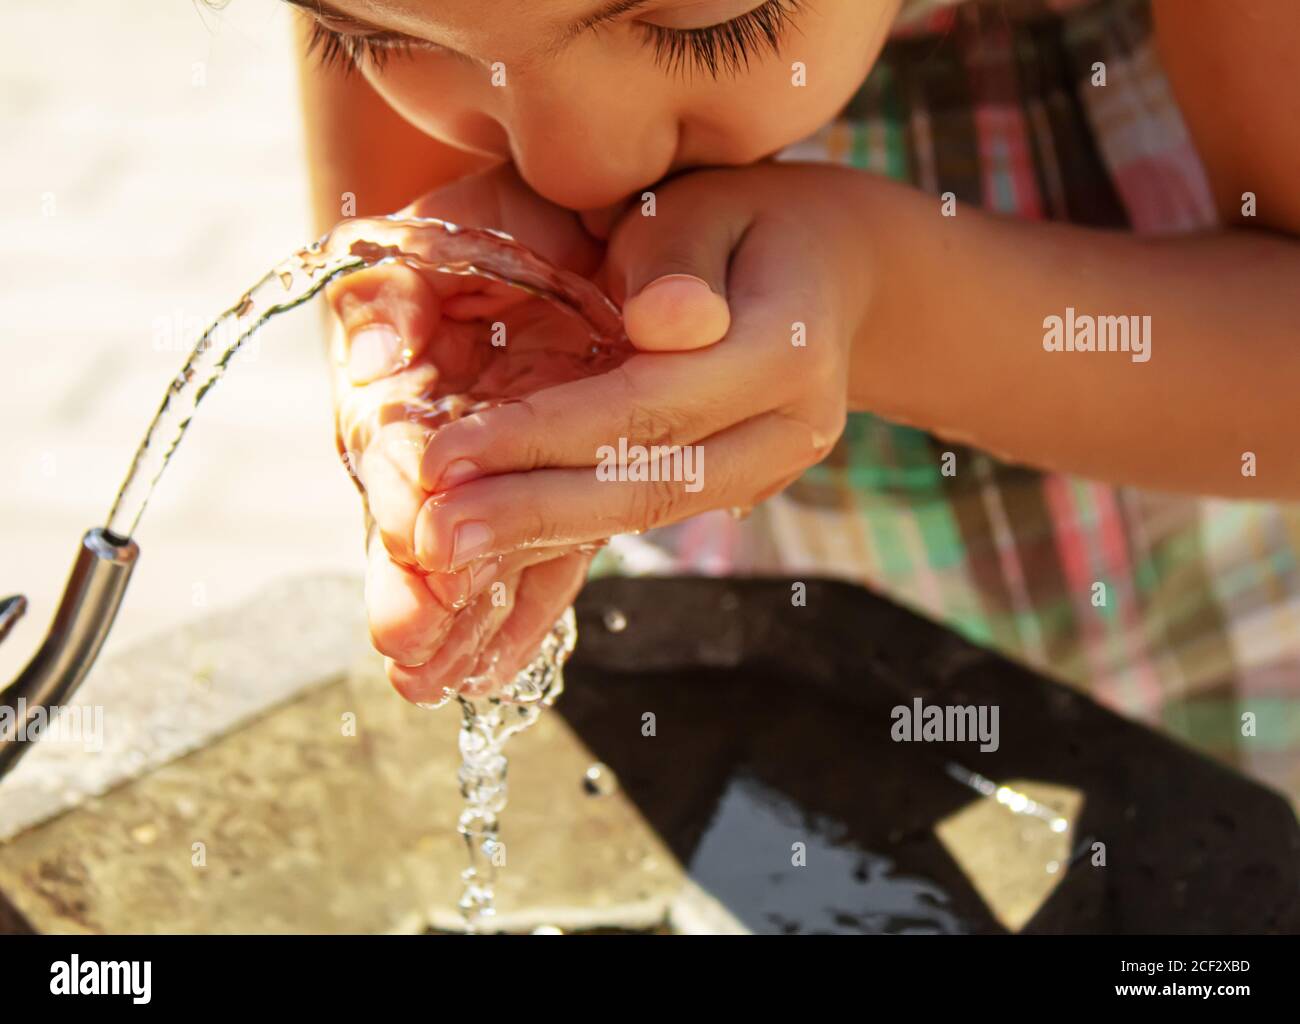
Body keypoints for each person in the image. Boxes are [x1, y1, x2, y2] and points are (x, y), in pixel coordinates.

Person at [295, 0, 1300, 799]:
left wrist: (877, 302)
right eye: (381, 36)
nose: (579, 167)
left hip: (1230, 658)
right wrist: (455, 407)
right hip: (764, 681)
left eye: (708, 23)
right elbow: (399, 263)